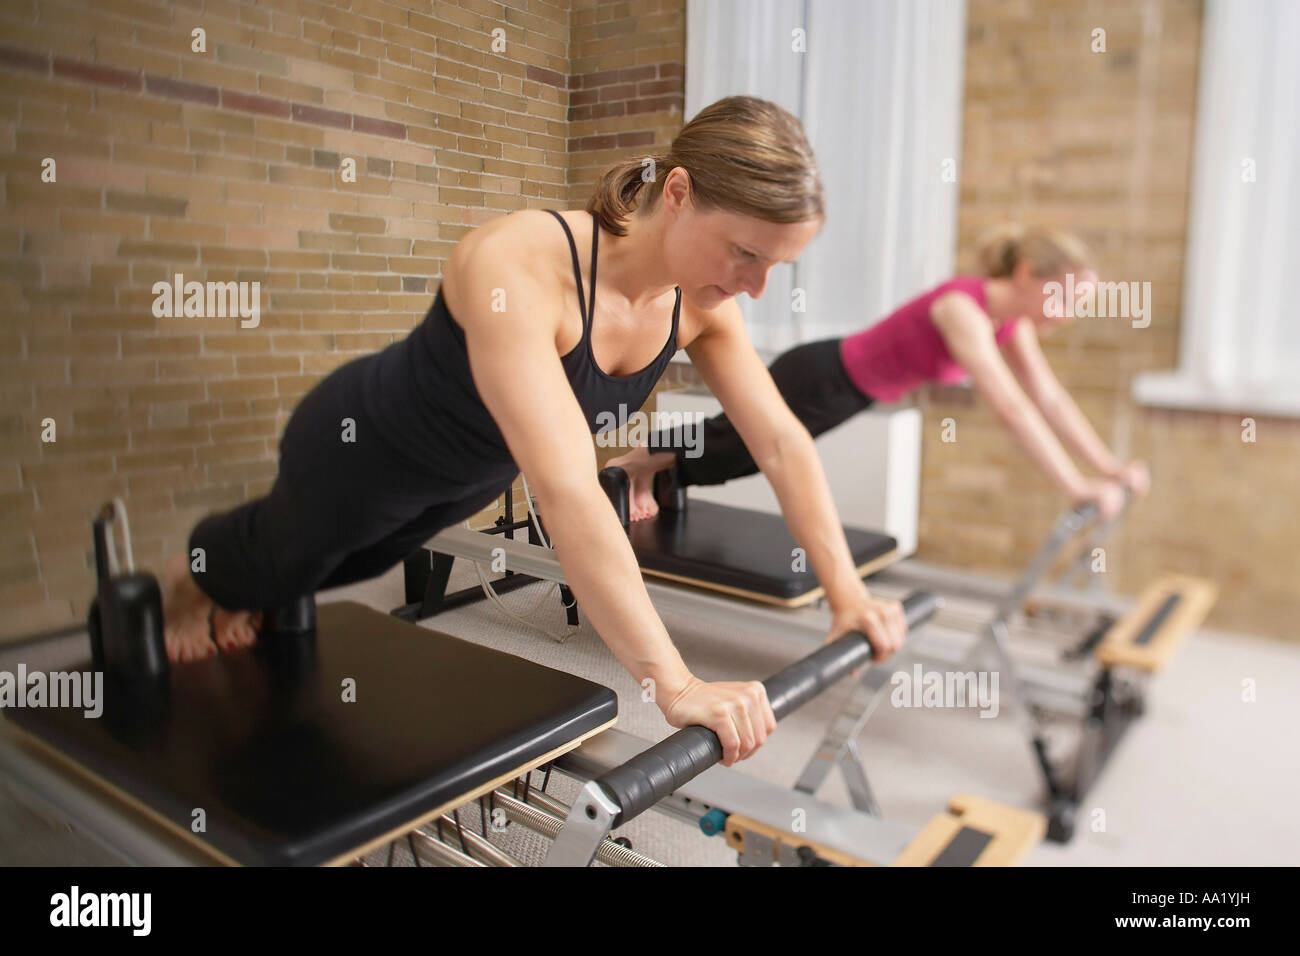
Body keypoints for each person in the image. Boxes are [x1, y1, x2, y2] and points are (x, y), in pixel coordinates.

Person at [156, 95, 908, 767]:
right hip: (361, 449)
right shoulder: (518, 263)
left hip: (462, 482)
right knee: (280, 559)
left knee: (336, 573)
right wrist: (673, 685)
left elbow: (779, 440)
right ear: (677, 192)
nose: (756, 286)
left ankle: (250, 584)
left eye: (777, 266)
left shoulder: (702, 304)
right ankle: (191, 579)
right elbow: (567, 488)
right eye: (746, 253)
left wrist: (846, 595)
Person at [611, 226, 1152, 523]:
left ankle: (652, 468)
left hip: (850, 394)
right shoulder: (963, 308)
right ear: (1030, 274)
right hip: (823, 376)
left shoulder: (1012, 324)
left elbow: (1050, 401)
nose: (1068, 313)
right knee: (732, 444)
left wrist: (1109, 466)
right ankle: (637, 463)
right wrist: (1077, 487)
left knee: (736, 453)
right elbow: (1012, 407)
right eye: (1066, 297)